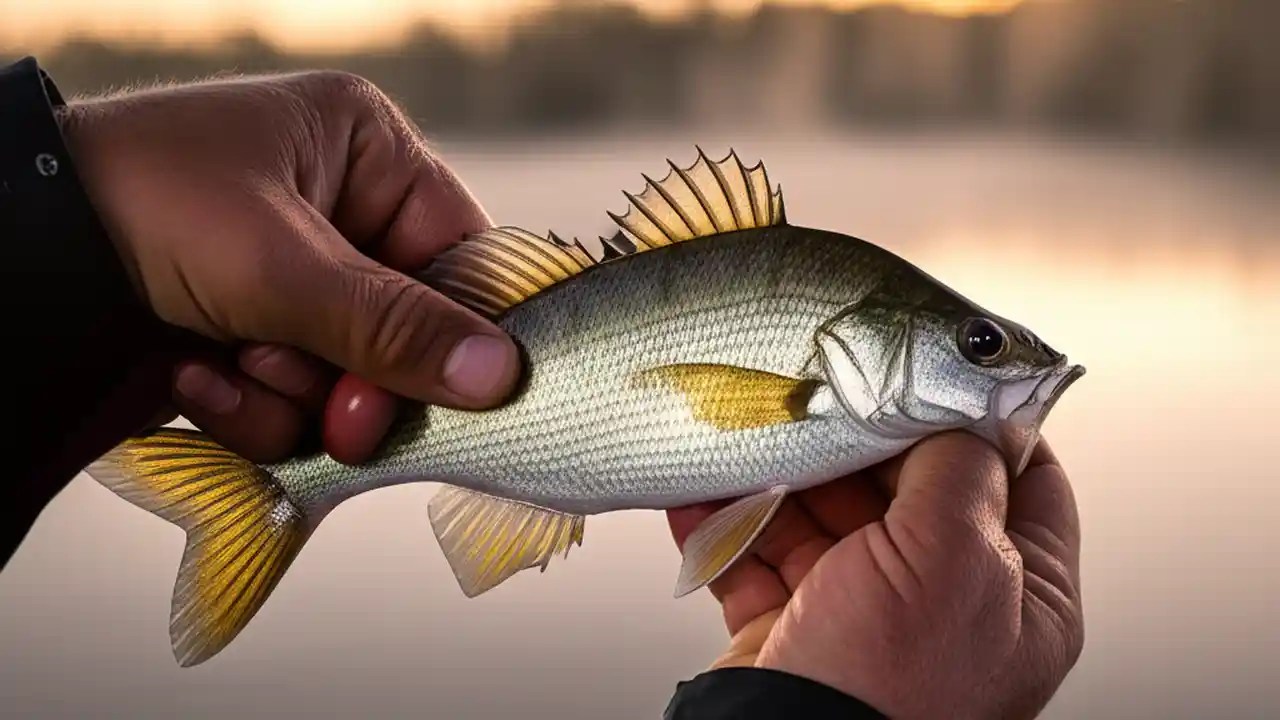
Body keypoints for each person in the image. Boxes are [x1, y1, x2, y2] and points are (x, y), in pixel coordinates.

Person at [0, 57, 1083, 718]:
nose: (1007, 365)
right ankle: (291, 487)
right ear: (859, 340)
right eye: (978, 345)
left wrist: (76, 210)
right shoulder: (826, 409)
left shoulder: (833, 404)